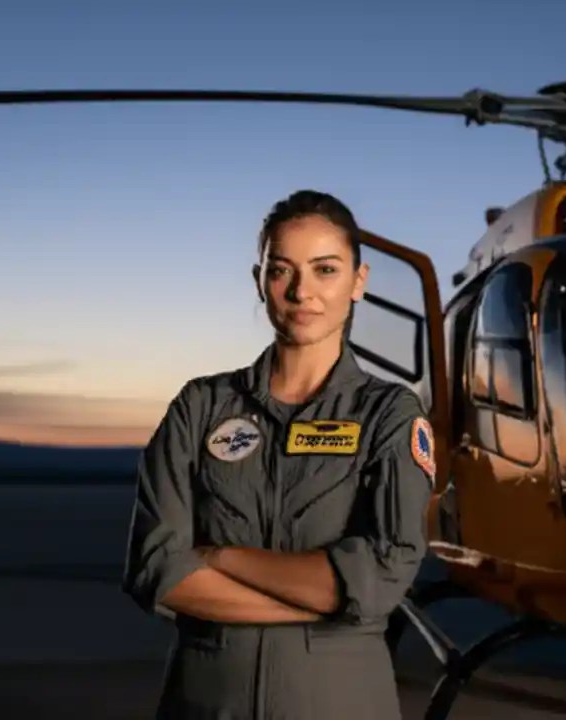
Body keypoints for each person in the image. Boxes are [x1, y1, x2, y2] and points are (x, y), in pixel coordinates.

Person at [121, 189, 436, 719]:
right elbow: (155, 568)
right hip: (206, 702)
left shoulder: (389, 415)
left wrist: (219, 556)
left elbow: (381, 578)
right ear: (260, 280)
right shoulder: (200, 407)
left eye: (325, 270)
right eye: (282, 270)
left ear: (359, 282)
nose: (301, 292)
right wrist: (319, 607)